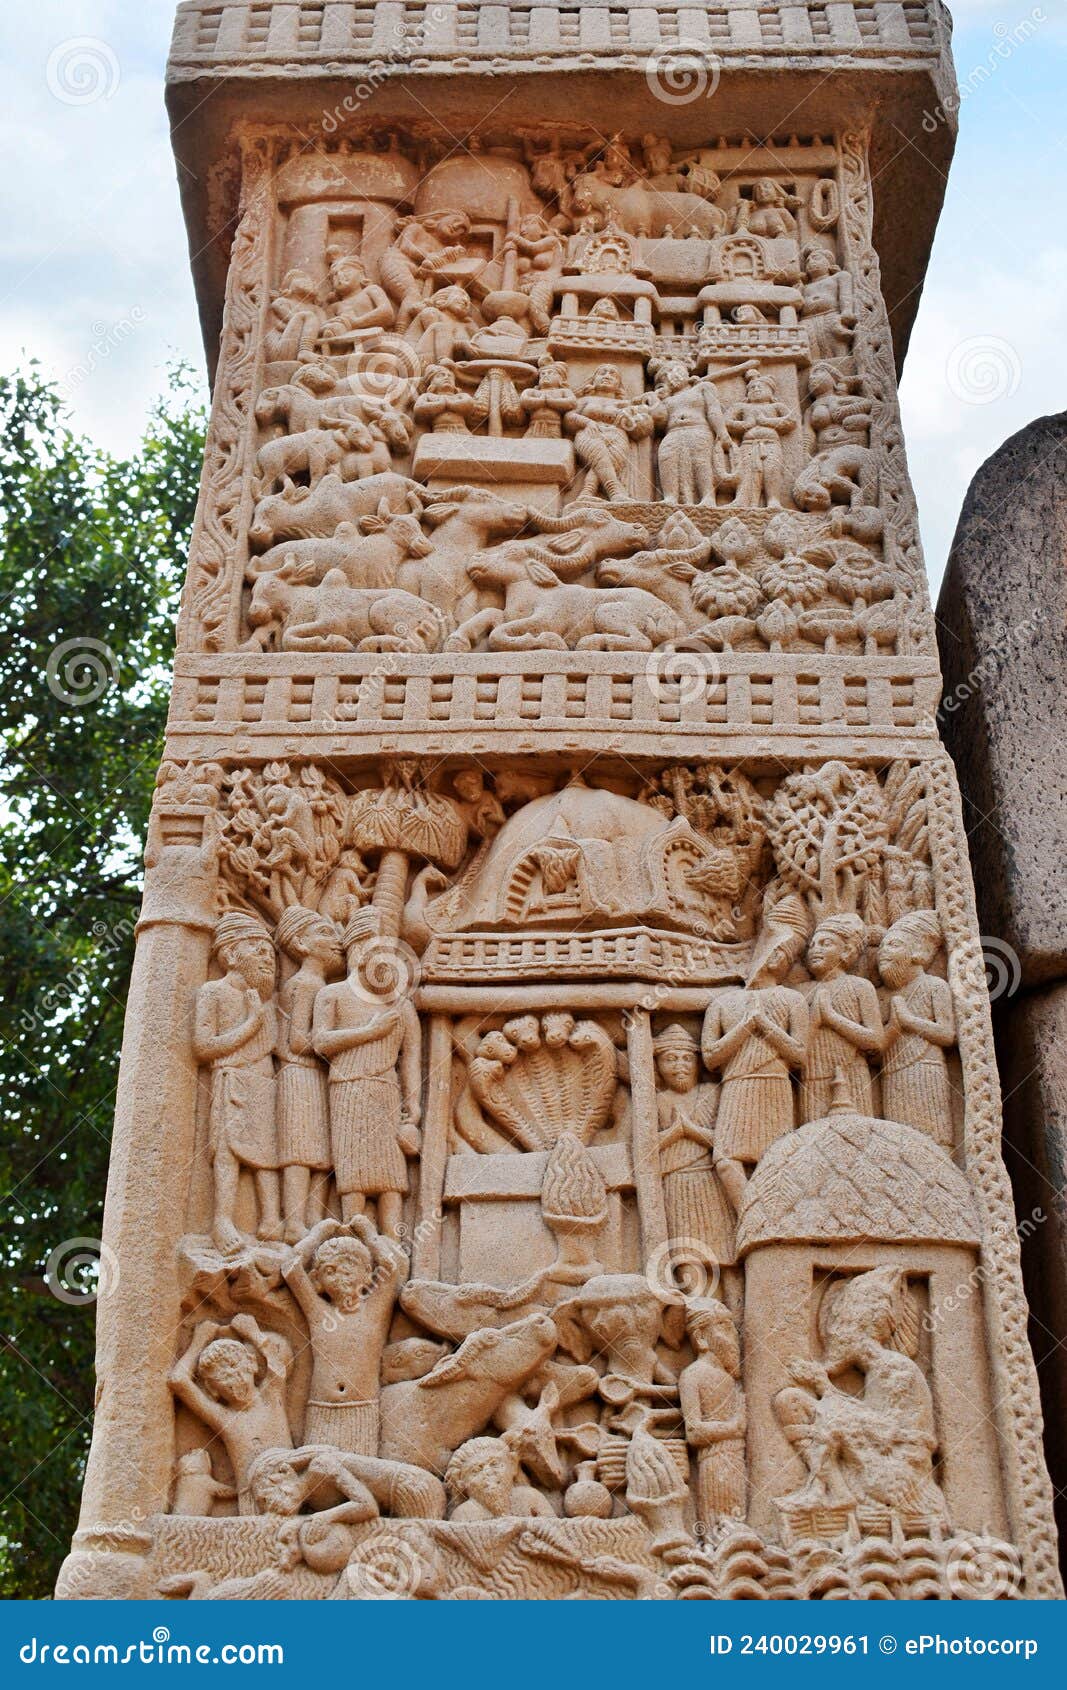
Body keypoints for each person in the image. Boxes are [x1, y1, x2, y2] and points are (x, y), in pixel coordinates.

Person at [312, 906, 421, 1236]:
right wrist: (369, 1032)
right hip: (347, 1088)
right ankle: (351, 1234)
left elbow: (411, 1058)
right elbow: (320, 1042)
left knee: (391, 1173)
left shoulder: (400, 1005)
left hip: (385, 1089)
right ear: (356, 949)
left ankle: (394, 1239)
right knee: (352, 1169)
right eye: (371, 945)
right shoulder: (331, 995)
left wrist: (413, 1106)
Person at [702, 898, 809, 1214]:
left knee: (775, 1158)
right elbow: (710, 1058)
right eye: (780, 948)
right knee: (724, 1159)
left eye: (789, 954)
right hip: (737, 1084)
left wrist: (766, 1026)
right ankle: (755, 1217)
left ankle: (769, 1222)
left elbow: (800, 1055)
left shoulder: (792, 1000)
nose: (783, 958)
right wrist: (746, 1026)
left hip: (774, 1083)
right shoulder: (724, 1003)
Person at [282, 1215, 409, 1456]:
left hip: (361, 1411)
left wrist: (368, 1232)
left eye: (351, 1266)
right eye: (331, 1270)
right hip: (322, 1410)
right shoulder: (319, 1313)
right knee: (318, 1479)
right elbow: (291, 1268)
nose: (341, 1275)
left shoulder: (374, 1311)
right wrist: (317, 1235)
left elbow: (391, 1267)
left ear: (368, 1275)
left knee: (358, 1476)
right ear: (318, 1280)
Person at [193, 913, 280, 1253]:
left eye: (270, 952)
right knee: (228, 1150)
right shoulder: (213, 992)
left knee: (267, 1150)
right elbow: (204, 1047)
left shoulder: (266, 1003)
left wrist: (261, 1017)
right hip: (231, 1078)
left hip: (263, 1080)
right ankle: (223, 1220)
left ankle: (272, 1218)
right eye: (256, 948)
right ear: (229, 955)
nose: (266, 956)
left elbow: (272, 1044)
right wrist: (251, 1023)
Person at [169, 1315, 293, 1514]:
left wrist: (253, 1333)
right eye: (222, 1377)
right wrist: (199, 1340)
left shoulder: (271, 1395)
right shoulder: (225, 1418)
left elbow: (277, 1365)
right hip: (254, 1502)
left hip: (291, 1490)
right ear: (212, 1390)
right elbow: (178, 1380)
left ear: (251, 1364)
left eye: (235, 1367)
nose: (234, 1379)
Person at [275, 906, 342, 1243]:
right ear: (301, 943)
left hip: (316, 1073)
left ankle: (315, 1217)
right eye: (325, 934)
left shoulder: (316, 983)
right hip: (299, 1072)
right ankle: (293, 1220)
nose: (337, 941)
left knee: (320, 1150)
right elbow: (297, 1040)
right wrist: (337, 1037)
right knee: (300, 1149)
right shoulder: (303, 984)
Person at [653, 1025, 733, 1288]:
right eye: (670, 1059)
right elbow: (645, 1148)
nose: (680, 1066)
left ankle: (734, 1309)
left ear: (698, 1062)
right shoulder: (654, 1100)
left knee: (727, 1254)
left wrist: (691, 1131)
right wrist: (675, 1132)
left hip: (711, 1180)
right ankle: (699, 1312)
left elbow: (727, 1139)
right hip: (676, 1184)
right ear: (657, 1065)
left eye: (687, 1058)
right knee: (688, 1255)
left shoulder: (712, 1093)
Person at [877, 911, 956, 1148]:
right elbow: (876, 1047)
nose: (883, 954)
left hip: (926, 1070)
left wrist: (909, 1021)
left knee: (935, 1139)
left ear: (919, 952)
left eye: (893, 945)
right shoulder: (883, 997)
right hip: (892, 1073)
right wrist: (893, 1026)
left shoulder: (935, 986)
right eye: (881, 948)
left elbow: (947, 1033)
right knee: (899, 1142)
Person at [801, 913, 883, 1120]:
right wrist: (815, 1020)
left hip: (852, 1071)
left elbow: (875, 1040)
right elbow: (796, 1047)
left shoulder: (859, 987)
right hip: (813, 1073)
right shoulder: (800, 992)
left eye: (825, 943)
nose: (815, 949)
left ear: (846, 950)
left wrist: (831, 1018)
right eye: (812, 945)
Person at [678, 1301, 746, 1530]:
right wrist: (733, 1428)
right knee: (719, 1522)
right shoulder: (693, 1376)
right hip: (714, 1459)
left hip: (738, 1457)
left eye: (732, 1328)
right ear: (700, 1337)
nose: (733, 1336)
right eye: (724, 1328)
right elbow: (694, 1431)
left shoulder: (730, 1377)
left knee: (739, 1516)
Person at [725, 368, 796, 509]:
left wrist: (766, 421)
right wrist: (745, 424)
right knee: (747, 472)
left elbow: (791, 420)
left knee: (772, 470)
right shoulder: (741, 406)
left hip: (771, 444)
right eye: (752, 388)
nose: (756, 389)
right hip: (748, 445)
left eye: (760, 387)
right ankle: (744, 502)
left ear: (770, 392)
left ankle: (773, 501)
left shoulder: (776, 406)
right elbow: (726, 421)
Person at [445, 1437, 555, 1521]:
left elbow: (554, 1529)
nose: (487, 1472)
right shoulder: (465, 1514)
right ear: (462, 1484)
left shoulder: (529, 1497)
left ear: (512, 1466)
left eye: (494, 1464)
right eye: (476, 1471)